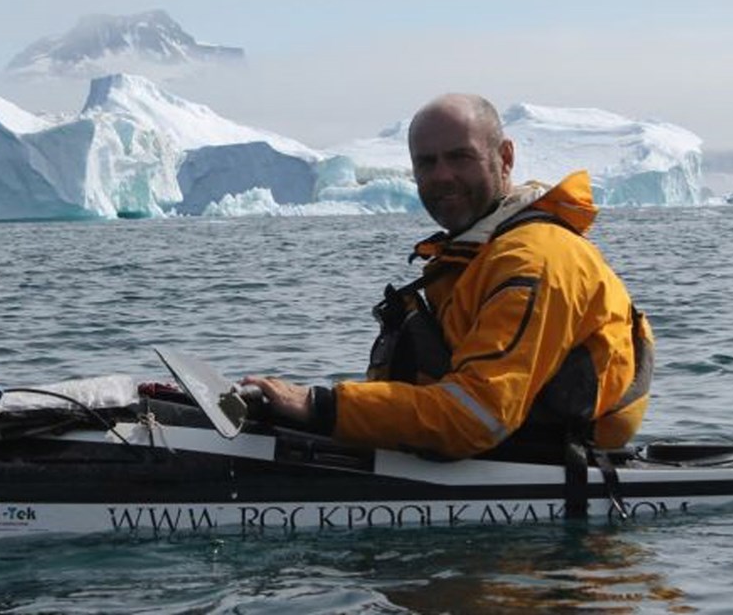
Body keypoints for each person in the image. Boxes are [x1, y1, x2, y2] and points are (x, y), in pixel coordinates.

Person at [244, 94, 652, 459]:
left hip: (534, 477)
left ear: (505, 158)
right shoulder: (474, 255)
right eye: (427, 162)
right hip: (483, 458)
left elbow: (477, 417)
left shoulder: (535, 260)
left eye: (460, 157)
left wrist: (319, 406)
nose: (441, 176)